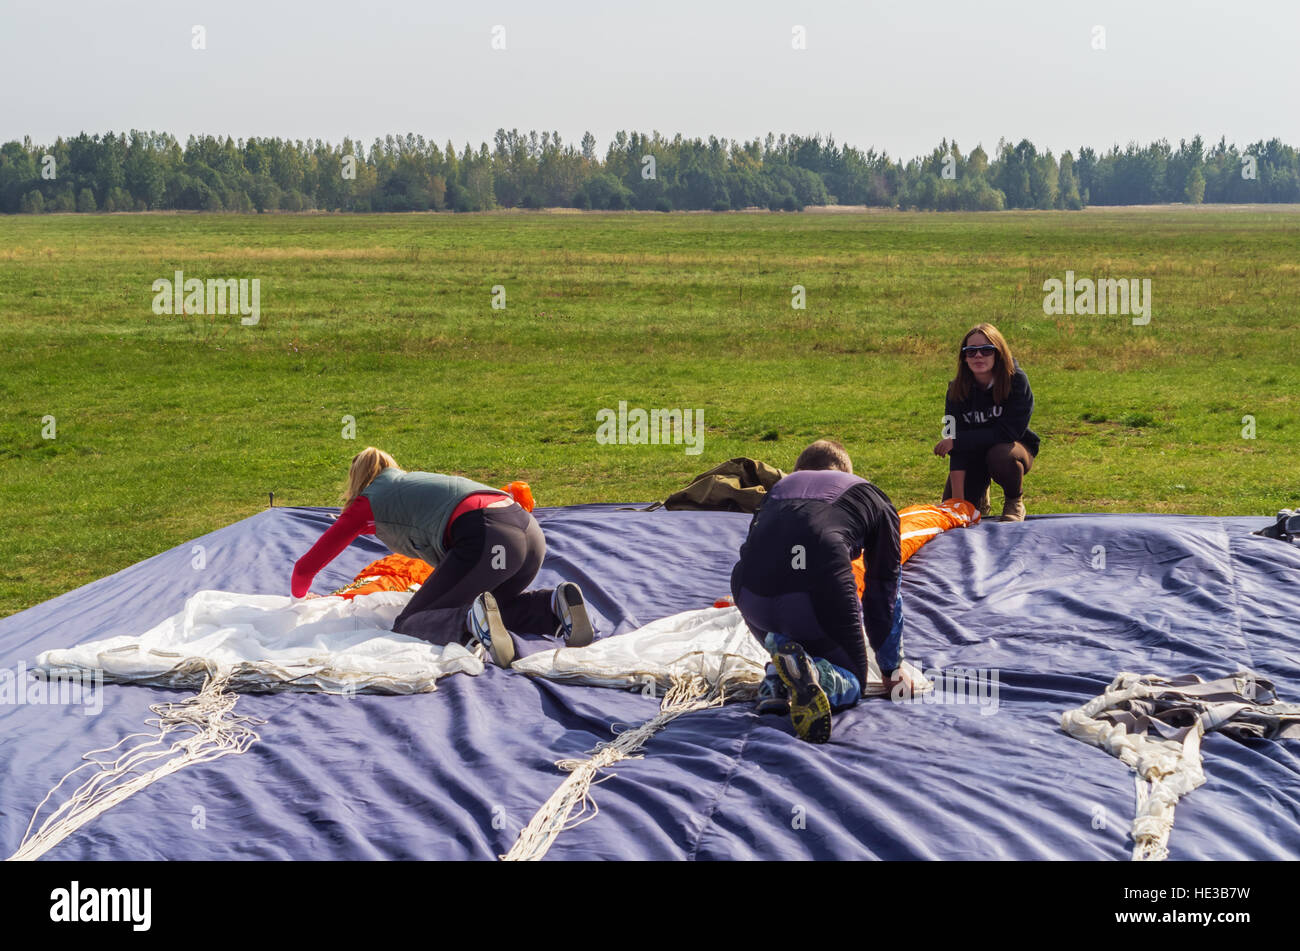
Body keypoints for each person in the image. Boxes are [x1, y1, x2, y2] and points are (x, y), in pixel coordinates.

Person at [290, 447, 594, 667]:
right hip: (528, 534)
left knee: (410, 622)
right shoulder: (417, 484)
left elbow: (306, 567)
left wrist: (301, 599)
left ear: (357, 482)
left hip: (487, 536)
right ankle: (553, 606)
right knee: (496, 608)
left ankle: (469, 622)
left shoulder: (367, 502)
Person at [729, 439, 913, 744]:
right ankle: (816, 674)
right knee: (852, 679)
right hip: (816, 589)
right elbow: (884, 588)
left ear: (800, 470)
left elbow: (752, 548)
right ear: (845, 471)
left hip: (751, 593)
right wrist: (891, 668)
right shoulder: (869, 494)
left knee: (789, 632)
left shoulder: (779, 489)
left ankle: (775, 681)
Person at [932, 323, 1040, 521]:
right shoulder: (955, 389)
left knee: (999, 455)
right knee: (950, 515)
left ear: (998, 354)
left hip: (1012, 448)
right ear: (964, 358)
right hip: (971, 453)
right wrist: (957, 502)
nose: (978, 356)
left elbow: (1009, 432)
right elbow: (953, 442)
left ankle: (1014, 501)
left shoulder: (1016, 380)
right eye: (971, 351)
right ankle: (979, 496)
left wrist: (959, 441)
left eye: (986, 350)